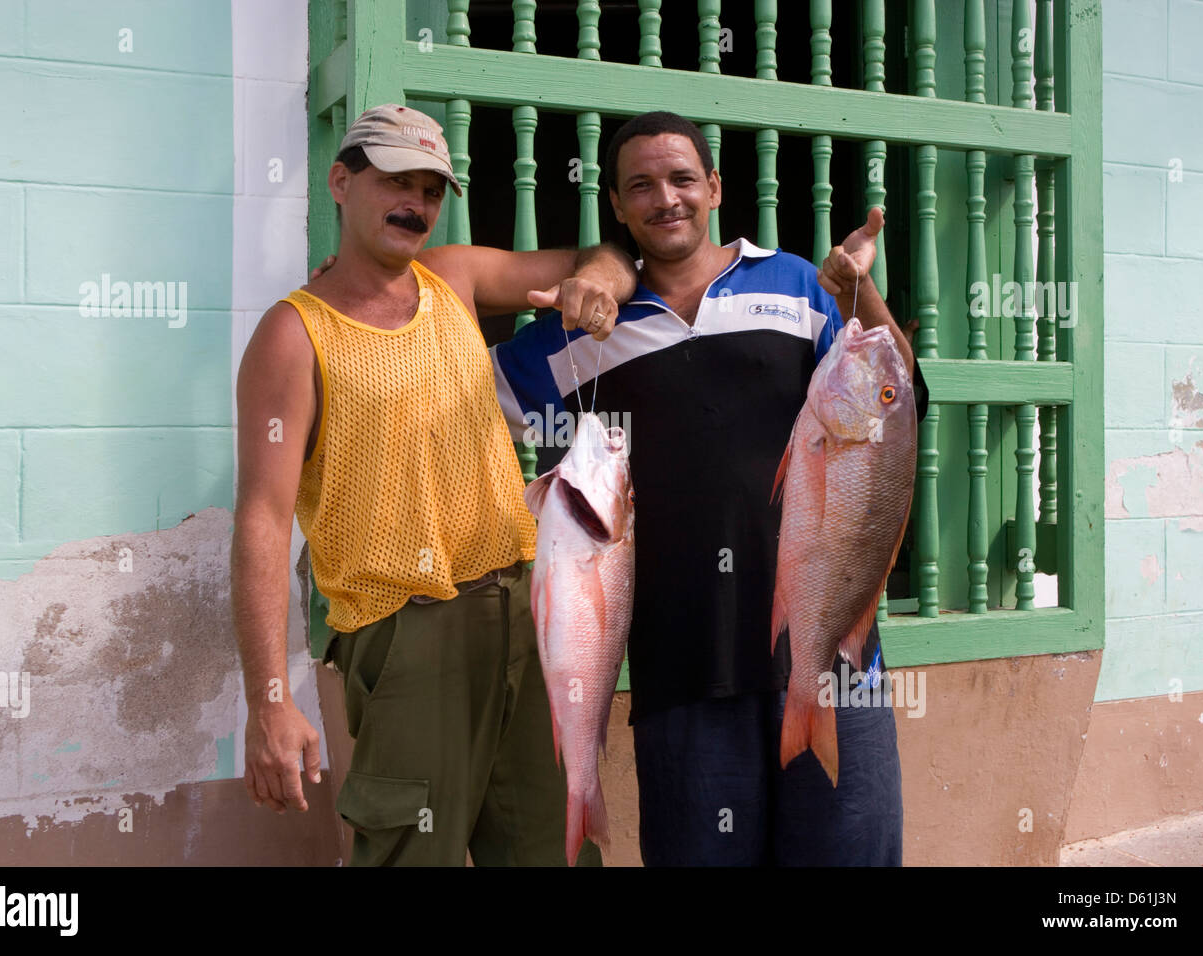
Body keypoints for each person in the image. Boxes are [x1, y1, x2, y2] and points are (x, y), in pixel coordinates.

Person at [491, 111, 930, 865]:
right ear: (617, 203)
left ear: (716, 187)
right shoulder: (578, 330)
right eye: (642, 186)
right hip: (684, 671)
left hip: (833, 655)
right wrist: (581, 275)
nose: (666, 198)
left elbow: (900, 400)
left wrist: (861, 296)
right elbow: (462, 395)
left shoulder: (795, 285)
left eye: (683, 179)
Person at [231, 103, 636, 866]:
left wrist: (597, 287)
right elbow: (260, 520)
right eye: (395, 181)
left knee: (554, 850)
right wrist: (269, 700)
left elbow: (611, 251)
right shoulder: (294, 333)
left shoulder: (454, 276)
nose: (415, 203)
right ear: (341, 181)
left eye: (430, 188)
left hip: (525, 608)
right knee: (413, 855)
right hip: (406, 634)